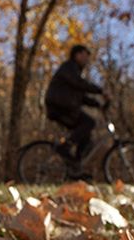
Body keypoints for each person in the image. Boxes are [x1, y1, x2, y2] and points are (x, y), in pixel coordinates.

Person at [45, 45, 108, 180]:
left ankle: (75, 168)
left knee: (86, 139)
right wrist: (100, 91)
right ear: (77, 55)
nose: (87, 59)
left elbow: (81, 97)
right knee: (89, 122)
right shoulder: (69, 68)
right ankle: (64, 147)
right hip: (59, 107)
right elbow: (79, 84)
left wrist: (98, 104)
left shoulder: (75, 72)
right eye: (85, 55)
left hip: (66, 107)